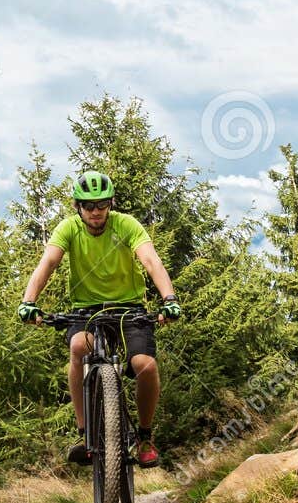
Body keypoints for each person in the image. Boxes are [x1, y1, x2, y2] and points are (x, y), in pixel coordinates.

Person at [18, 170, 180, 467]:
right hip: (85, 309)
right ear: (77, 207)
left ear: (111, 203)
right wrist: (29, 301)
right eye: (88, 206)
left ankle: (144, 437)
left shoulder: (126, 225)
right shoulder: (68, 229)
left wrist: (169, 299)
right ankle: (84, 434)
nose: (95, 212)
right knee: (79, 347)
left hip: (129, 308)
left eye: (102, 204)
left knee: (145, 364)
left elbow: (150, 260)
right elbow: (48, 262)